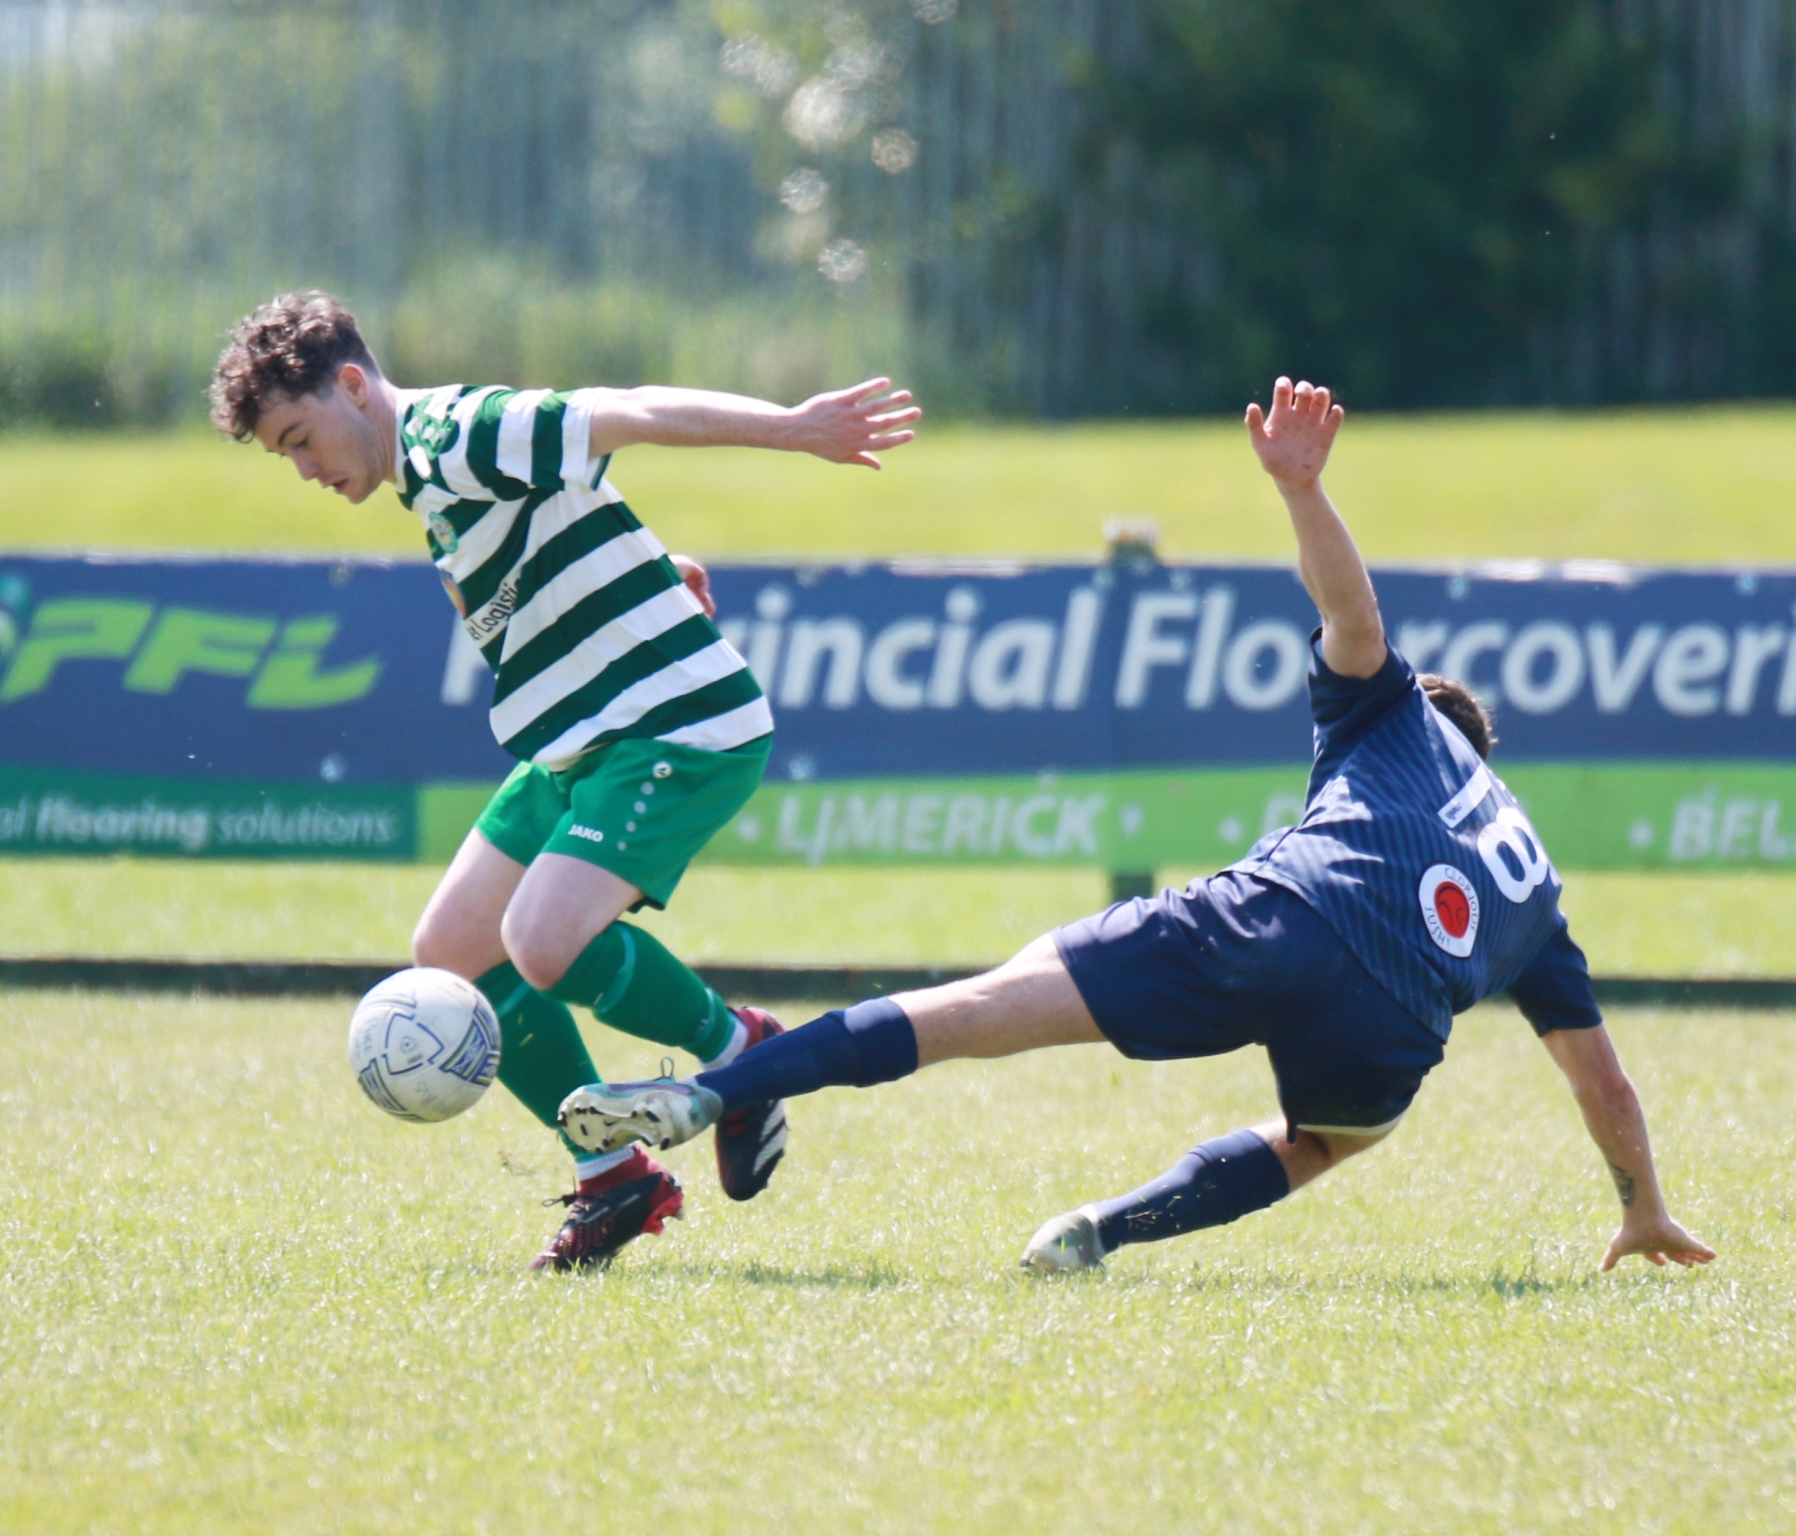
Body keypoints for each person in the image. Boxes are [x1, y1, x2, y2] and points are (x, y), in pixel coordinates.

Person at [558, 375, 1716, 1277]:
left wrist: (1303, 490)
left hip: (1286, 915)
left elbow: (1352, 619)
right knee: (1325, 1143)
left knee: (974, 1012)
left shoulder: (1393, 718)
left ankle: (715, 1090)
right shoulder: (1540, 892)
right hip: (1393, 1024)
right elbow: (1602, 1083)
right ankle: (1100, 1233)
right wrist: (1644, 1207)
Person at [209, 291, 918, 1271]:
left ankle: (739, 1052)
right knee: (452, 948)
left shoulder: (458, 432)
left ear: (354, 386)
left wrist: (796, 430)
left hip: (674, 725)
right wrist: (645, 570)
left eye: (298, 438)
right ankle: (615, 1178)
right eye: (282, 454)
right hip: (583, 740)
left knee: (540, 945)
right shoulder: (423, 478)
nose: (303, 470)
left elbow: (632, 409)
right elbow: (552, 540)